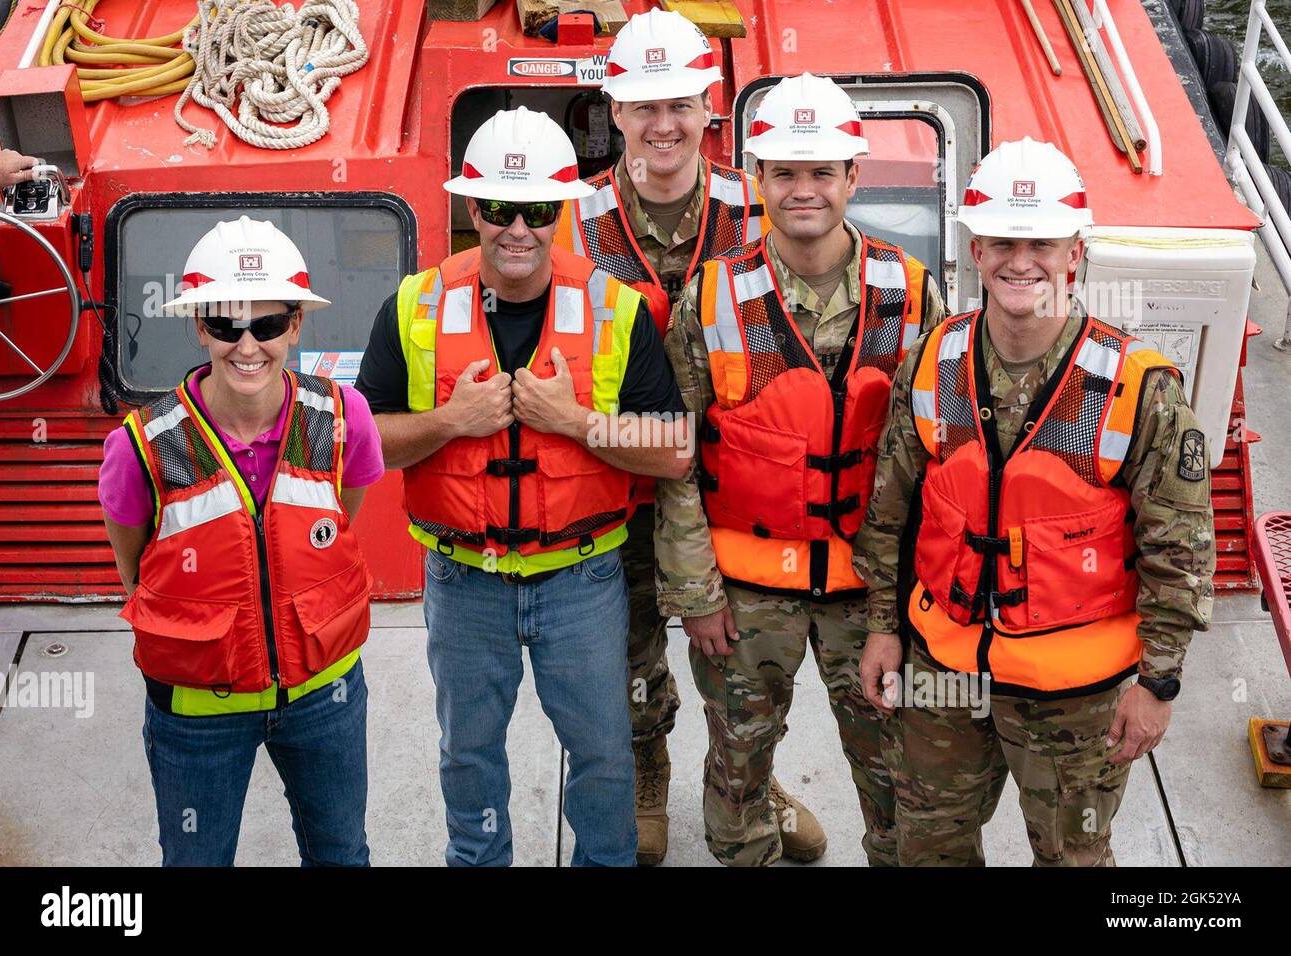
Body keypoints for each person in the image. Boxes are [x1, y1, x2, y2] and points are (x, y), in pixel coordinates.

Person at [854, 138, 1216, 866]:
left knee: (1073, 856)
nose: (1023, 261)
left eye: (1042, 243)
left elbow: (1180, 552)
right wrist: (882, 629)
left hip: (1076, 698)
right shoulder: (934, 361)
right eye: (1003, 242)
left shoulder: (1137, 389)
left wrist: (1158, 686)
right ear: (977, 251)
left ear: (1073, 254)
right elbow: (890, 514)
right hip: (944, 675)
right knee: (928, 845)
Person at [355, 106, 690, 867]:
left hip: (582, 578)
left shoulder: (616, 308)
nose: (517, 228)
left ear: (562, 210)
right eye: (499, 208)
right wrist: (448, 421)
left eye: (538, 209)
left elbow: (674, 449)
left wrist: (575, 422)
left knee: (604, 754)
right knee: (467, 754)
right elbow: (362, 440)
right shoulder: (412, 306)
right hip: (463, 579)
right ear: (471, 207)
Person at [655, 73, 946, 867]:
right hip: (745, 599)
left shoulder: (914, 295)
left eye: (822, 171)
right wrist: (696, 596)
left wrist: (907, 610)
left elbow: (933, 465)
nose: (803, 189)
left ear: (855, 175)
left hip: (869, 599)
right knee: (737, 769)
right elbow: (672, 455)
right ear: (757, 180)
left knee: (897, 775)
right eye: (784, 171)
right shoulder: (711, 299)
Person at [553, 8, 791, 865]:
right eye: (643, 107)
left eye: (680, 105)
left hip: (739, 482)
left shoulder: (760, 206)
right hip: (621, 480)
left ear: (709, 105)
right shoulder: (571, 221)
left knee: (748, 661)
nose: (663, 125)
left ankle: (750, 781)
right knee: (632, 656)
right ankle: (648, 774)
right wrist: (643, 441)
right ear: (613, 111)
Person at [100, 215, 384, 866]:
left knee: (342, 854)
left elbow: (339, 519)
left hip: (326, 698)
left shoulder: (346, 421)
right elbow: (136, 569)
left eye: (269, 323)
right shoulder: (138, 449)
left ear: (295, 324)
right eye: (227, 323)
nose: (247, 344)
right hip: (196, 712)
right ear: (200, 324)